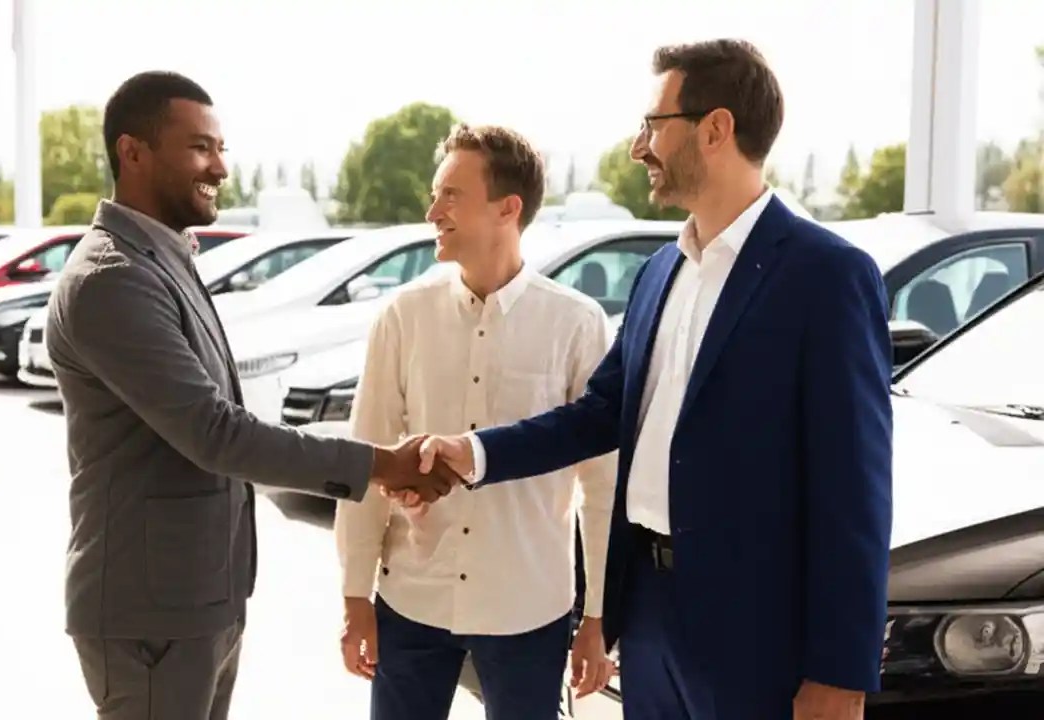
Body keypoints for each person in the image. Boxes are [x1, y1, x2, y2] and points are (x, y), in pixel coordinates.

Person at [416, 40, 893, 720]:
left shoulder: (827, 275)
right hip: (649, 619)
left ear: (715, 128)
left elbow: (855, 491)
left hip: (757, 637)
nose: (639, 146)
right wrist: (473, 453)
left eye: (653, 124)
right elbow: (600, 412)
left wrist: (840, 674)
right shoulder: (659, 273)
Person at [45, 70, 461, 720]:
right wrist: (383, 464)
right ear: (133, 152)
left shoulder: (160, 257)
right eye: (199, 148)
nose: (219, 168)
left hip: (195, 600)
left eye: (220, 149)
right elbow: (215, 432)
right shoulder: (111, 278)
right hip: (150, 614)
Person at [334, 123, 618, 720]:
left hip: (528, 609)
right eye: (435, 195)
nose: (432, 211)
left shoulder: (576, 323)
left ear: (507, 208)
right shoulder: (403, 316)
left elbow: (601, 485)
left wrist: (597, 615)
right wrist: (355, 595)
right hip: (412, 598)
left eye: (451, 195)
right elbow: (366, 456)